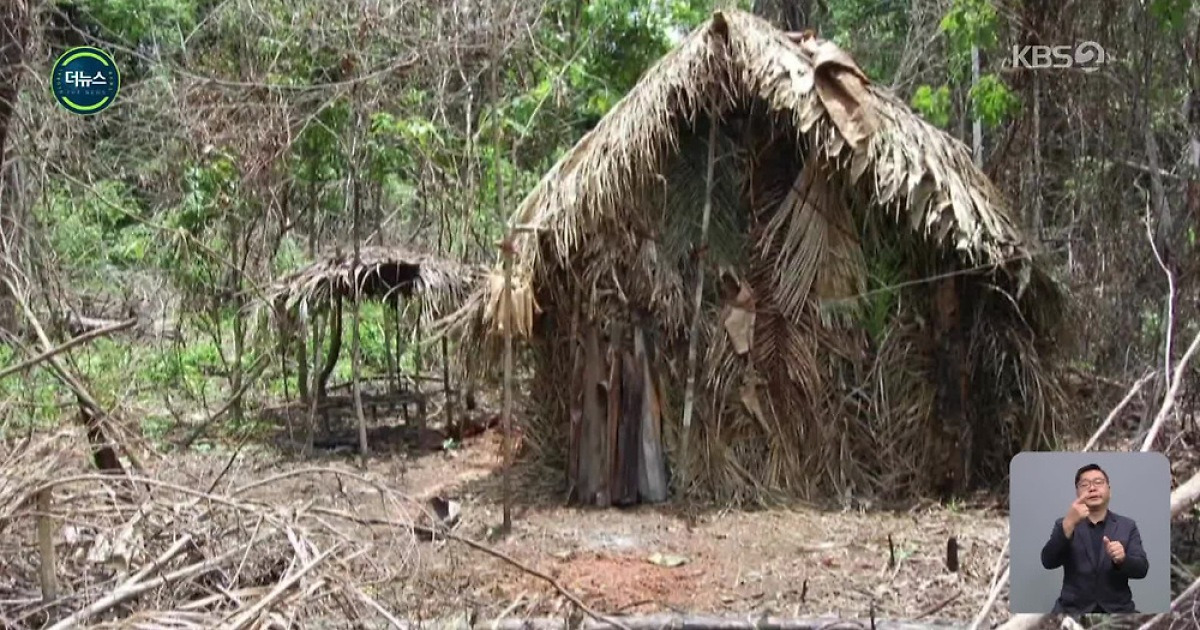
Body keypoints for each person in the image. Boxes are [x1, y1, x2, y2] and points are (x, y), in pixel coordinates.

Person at [1040, 463, 1149, 614]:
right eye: (1085, 485)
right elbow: (1048, 561)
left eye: (1098, 482)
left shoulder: (1127, 525)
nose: (1092, 488)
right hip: (1072, 610)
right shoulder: (1065, 523)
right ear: (1077, 493)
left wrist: (1123, 559)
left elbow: (1142, 569)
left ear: (1109, 491)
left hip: (1119, 611)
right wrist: (1068, 524)